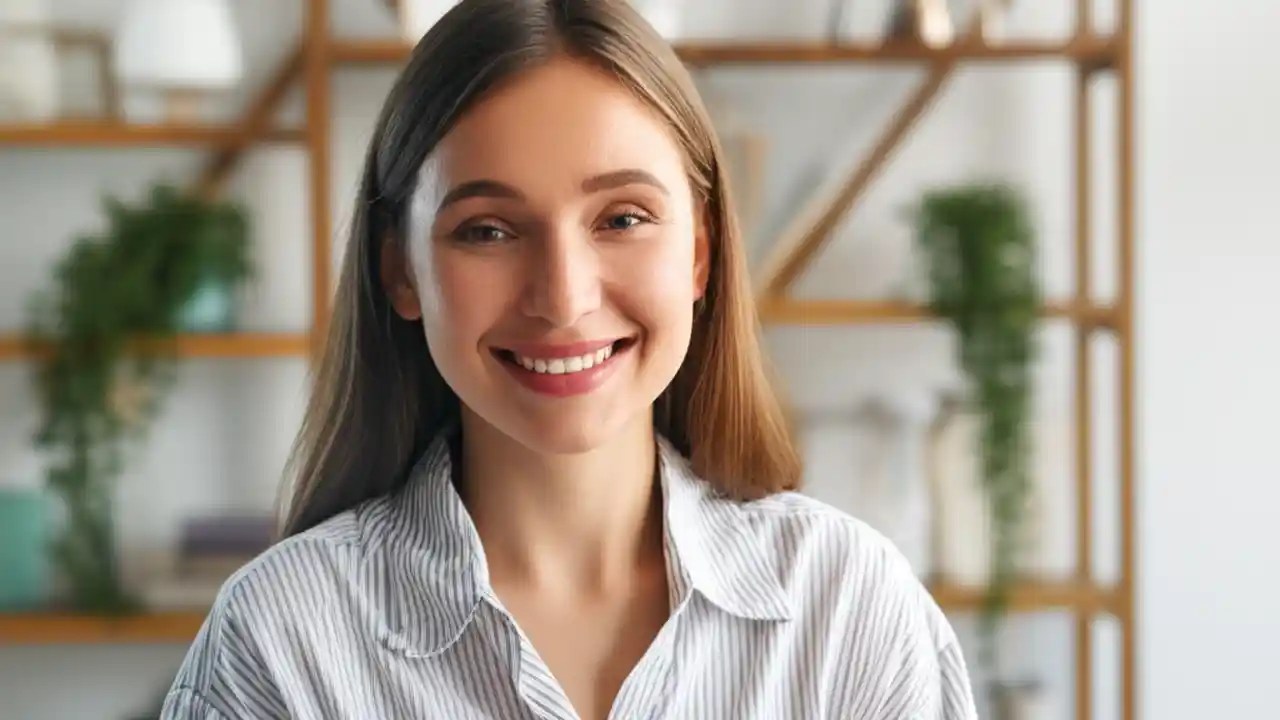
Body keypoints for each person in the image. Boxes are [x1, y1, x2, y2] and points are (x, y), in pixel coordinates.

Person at [161, 0, 978, 718]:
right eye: (487, 230)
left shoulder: (850, 612)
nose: (563, 296)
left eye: (622, 219)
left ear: (700, 252)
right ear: (400, 270)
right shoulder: (277, 646)